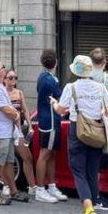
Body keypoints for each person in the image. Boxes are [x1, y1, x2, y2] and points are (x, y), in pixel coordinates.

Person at [51, 55, 108, 214]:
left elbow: (61, 110)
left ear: (76, 72)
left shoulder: (71, 87)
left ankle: (89, 210)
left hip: (77, 131)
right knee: (92, 173)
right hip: (96, 131)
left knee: (78, 172)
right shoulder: (101, 87)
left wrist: (54, 103)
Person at [0, 60, 28, 205]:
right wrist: (16, 116)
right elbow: (6, 109)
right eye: (3, 68)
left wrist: (15, 116)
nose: (5, 69)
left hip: (5, 130)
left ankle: (13, 191)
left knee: (9, 162)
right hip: (0, 131)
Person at [89, 47, 108, 211]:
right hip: (100, 124)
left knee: (87, 161)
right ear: (105, 62)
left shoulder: (84, 76)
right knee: (97, 161)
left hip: (84, 125)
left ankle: (88, 196)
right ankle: (95, 196)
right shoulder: (106, 79)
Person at [35, 49, 68, 203]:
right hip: (50, 121)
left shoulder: (43, 77)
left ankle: (51, 186)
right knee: (45, 154)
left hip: (48, 119)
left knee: (51, 154)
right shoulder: (51, 80)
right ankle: (41, 189)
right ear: (56, 62)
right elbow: (59, 97)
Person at [2, 69, 38, 198]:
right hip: (5, 129)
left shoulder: (19, 93)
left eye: (15, 78)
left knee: (27, 157)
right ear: (4, 79)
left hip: (17, 129)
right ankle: (6, 185)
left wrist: (29, 125)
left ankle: (32, 186)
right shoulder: (1, 92)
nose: (13, 80)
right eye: (10, 78)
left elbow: (25, 110)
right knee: (6, 159)